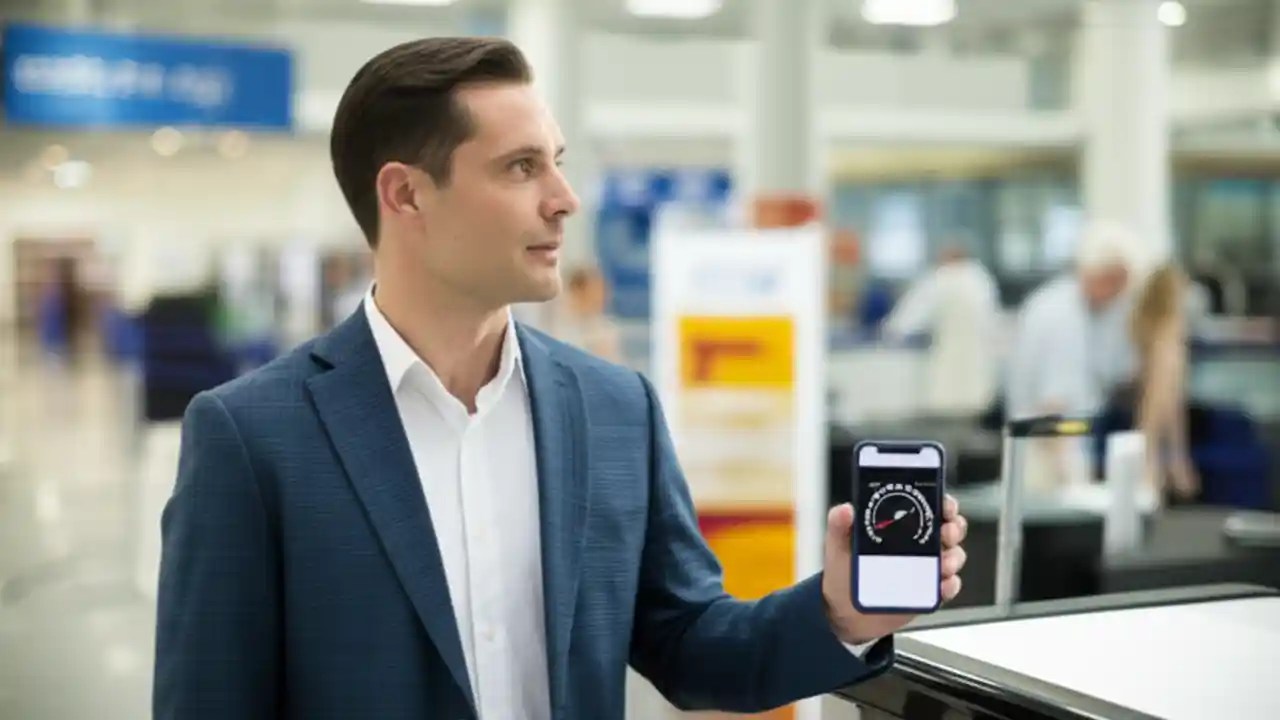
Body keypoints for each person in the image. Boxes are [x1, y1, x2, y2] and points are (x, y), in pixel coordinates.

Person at [153, 37, 968, 720]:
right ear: (405, 194)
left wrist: (839, 612)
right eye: (520, 168)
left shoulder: (615, 411)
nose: (565, 199)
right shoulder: (255, 437)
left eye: (558, 163)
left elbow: (691, 646)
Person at [1004, 220, 1150, 489]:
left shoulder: (1072, 307)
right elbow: (1053, 408)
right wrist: (1070, 479)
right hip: (1048, 452)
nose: (1121, 296)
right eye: (1121, 285)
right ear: (1109, 276)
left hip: (1056, 445)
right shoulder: (1062, 317)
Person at [883, 244, 1002, 418]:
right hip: (979, 368)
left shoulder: (940, 279)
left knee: (948, 405)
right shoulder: (981, 280)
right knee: (974, 405)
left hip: (949, 360)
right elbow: (993, 320)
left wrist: (892, 332)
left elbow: (910, 316)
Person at [1126, 265, 1200, 500]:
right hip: (1151, 440)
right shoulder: (1169, 335)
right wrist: (1176, 457)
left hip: (1145, 437)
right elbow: (1165, 400)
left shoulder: (1149, 330)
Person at [550, 265, 622, 361]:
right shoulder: (559, 331)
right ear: (578, 291)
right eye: (595, 291)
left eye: (602, 291)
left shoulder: (605, 329)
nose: (602, 297)